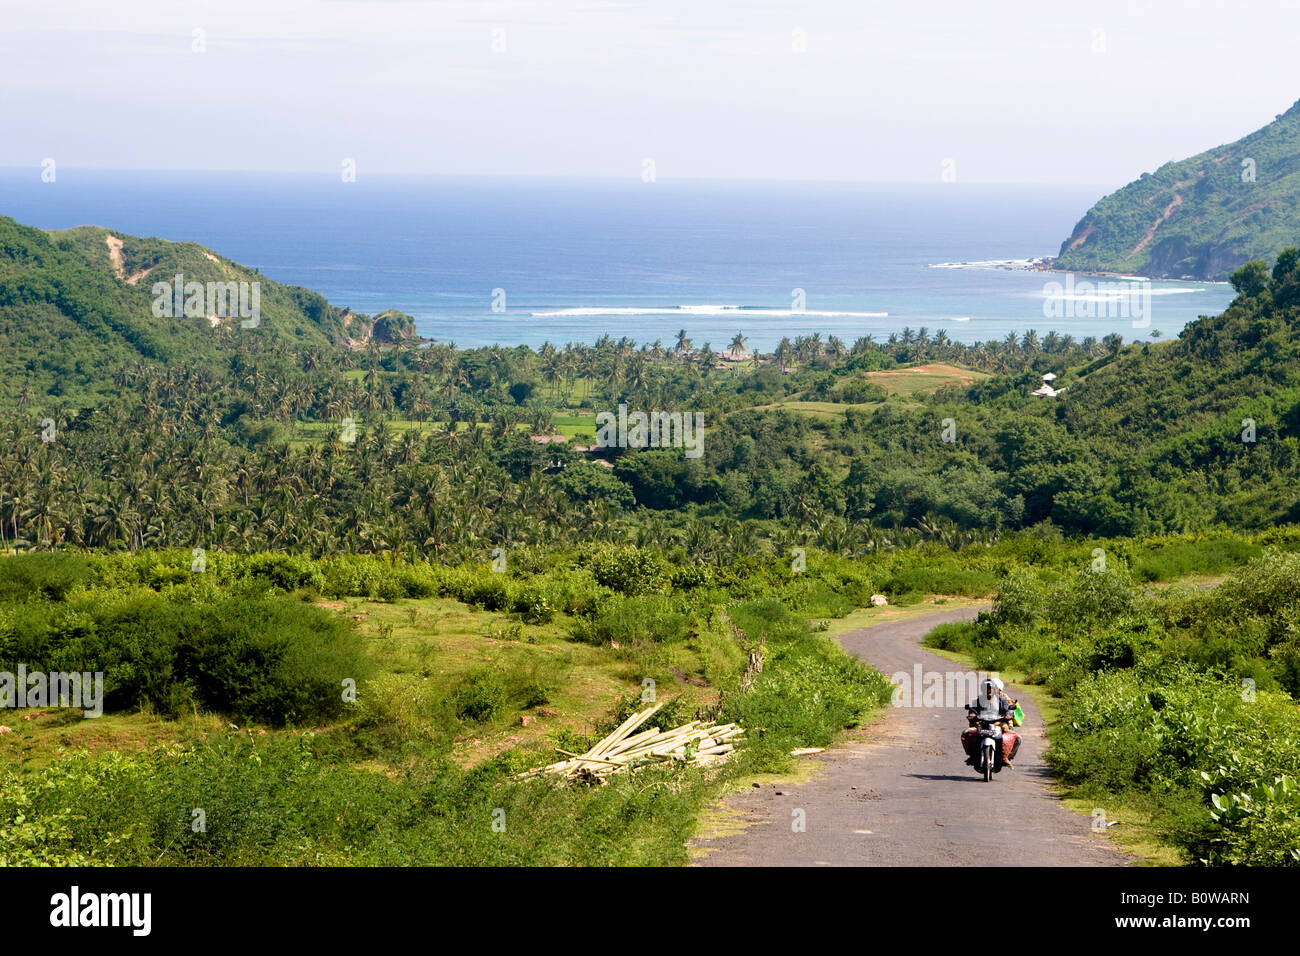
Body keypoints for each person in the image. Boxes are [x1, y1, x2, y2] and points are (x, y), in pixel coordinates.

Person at [962, 677, 1021, 768]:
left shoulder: (1002, 700)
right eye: (986, 689)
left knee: (1017, 738)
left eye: (990, 689)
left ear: (994, 689)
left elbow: (1007, 710)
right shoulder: (977, 700)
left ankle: (1006, 757)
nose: (989, 691)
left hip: (998, 723)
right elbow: (972, 710)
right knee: (965, 733)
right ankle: (972, 756)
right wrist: (972, 714)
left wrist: (1008, 715)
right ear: (983, 690)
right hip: (981, 724)